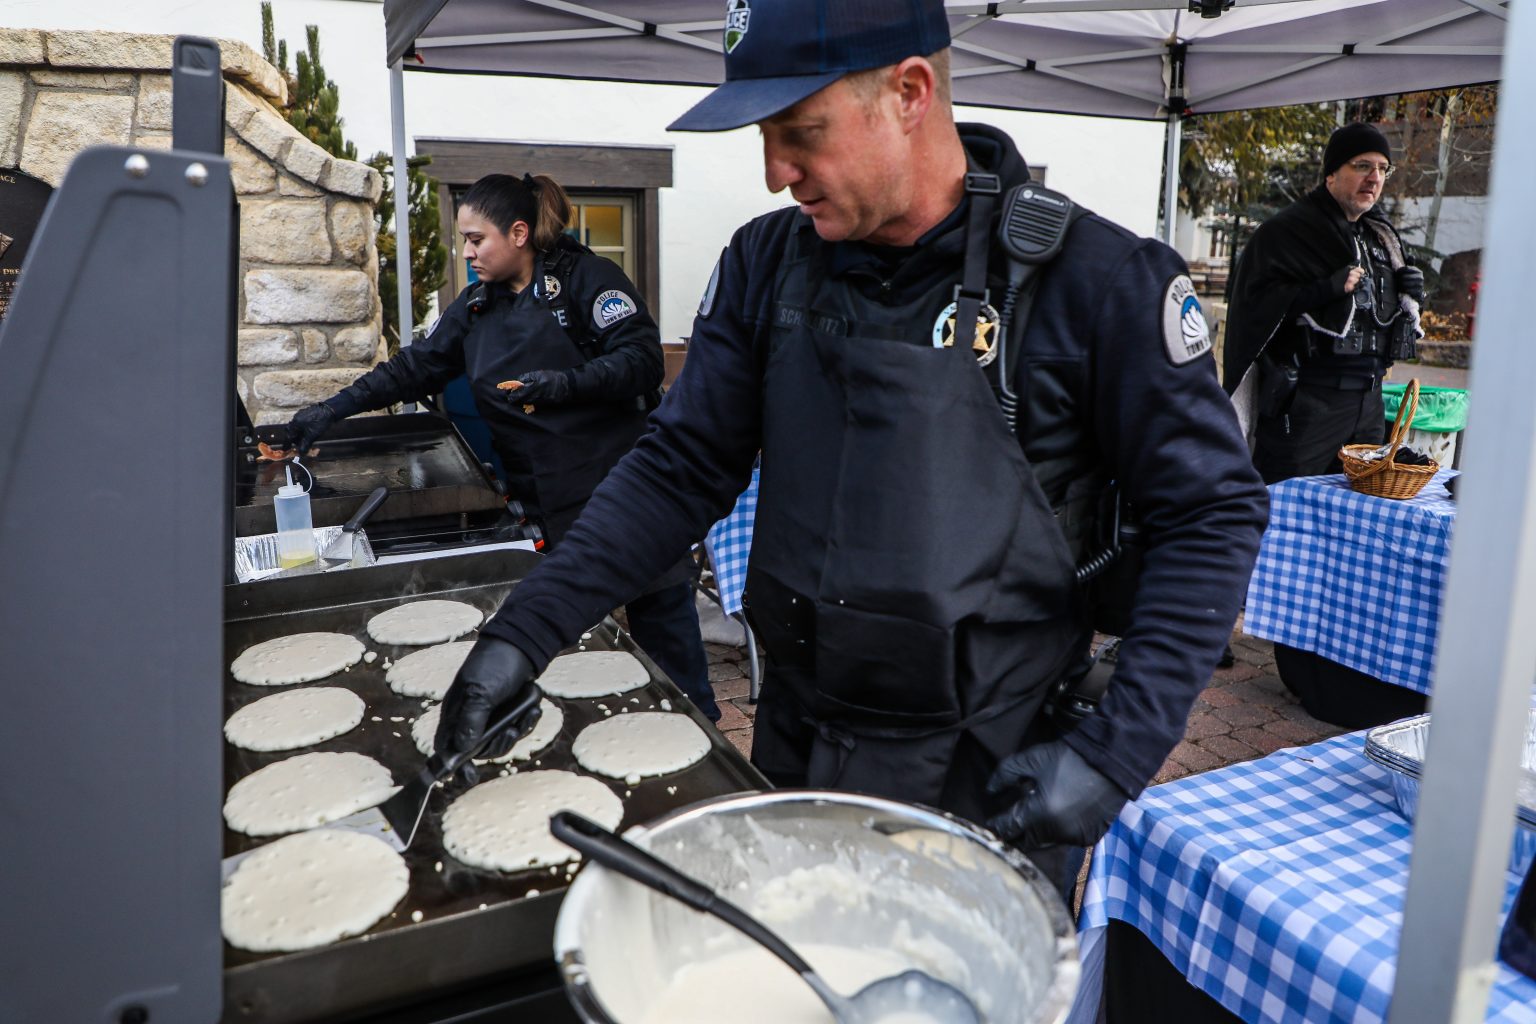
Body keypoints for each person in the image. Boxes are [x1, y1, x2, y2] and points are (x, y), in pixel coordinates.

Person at [433, 0, 1267, 890]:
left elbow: (1211, 513)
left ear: (909, 91)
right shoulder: (764, 264)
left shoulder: (1094, 283)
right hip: (797, 738)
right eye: (764, 136)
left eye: (801, 133)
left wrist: (1115, 750)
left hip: (994, 771)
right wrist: (523, 635)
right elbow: (678, 468)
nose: (774, 172)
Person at [282, 172, 718, 721]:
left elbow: (641, 360)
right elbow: (414, 368)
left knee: (667, 637)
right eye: (464, 240)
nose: (467, 253)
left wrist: (564, 384)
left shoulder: (588, 280)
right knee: (570, 650)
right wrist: (332, 410)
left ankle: (705, 734)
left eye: (476, 239)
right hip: (547, 503)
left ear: (518, 233)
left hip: (627, 494)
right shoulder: (476, 306)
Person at [1224, 122, 1426, 483]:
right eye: (1362, 166)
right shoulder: (1288, 232)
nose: (1375, 178)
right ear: (1332, 174)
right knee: (1283, 504)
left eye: (1383, 169)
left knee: (1357, 510)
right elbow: (1257, 304)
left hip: (1369, 404)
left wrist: (1408, 290)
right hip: (1308, 402)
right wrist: (1322, 290)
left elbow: (1382, 318)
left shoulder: (1381, 237)